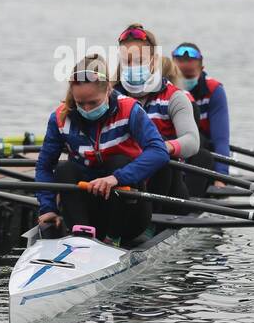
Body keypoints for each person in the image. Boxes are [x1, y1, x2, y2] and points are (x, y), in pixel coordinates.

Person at [34, 53, 169, 244]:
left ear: (108, 90)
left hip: (128, 212)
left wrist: (116, 178)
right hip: (87, 208)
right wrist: (47, 208)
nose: (87, 110)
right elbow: (44, 166)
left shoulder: (130, 110)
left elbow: (159, 151)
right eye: (81, 103)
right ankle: (81, 236)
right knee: (65, 169)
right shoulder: (60, 118)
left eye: (93, 103)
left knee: (118, 162)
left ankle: (112, 238)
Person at [114, 23, 215, 201]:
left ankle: (151, 222)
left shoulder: (175, 97)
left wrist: (159, 148)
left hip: (167, 188)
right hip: (124, 179)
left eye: (138, 60)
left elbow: (192, 142)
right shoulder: (109, 96)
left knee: (162, 157)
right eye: (127, 61)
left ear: (153, 60)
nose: (131, 66)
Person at [171, 42, 229, 183]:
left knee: (201, 151)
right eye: (181, 75)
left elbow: (221, 139)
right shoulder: (163, 89)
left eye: (189, 75)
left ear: (202, 69)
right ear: (172, 70)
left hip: (202, 149)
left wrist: (221, 177)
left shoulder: (214, 91)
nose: (184, 79)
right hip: (174, 147)